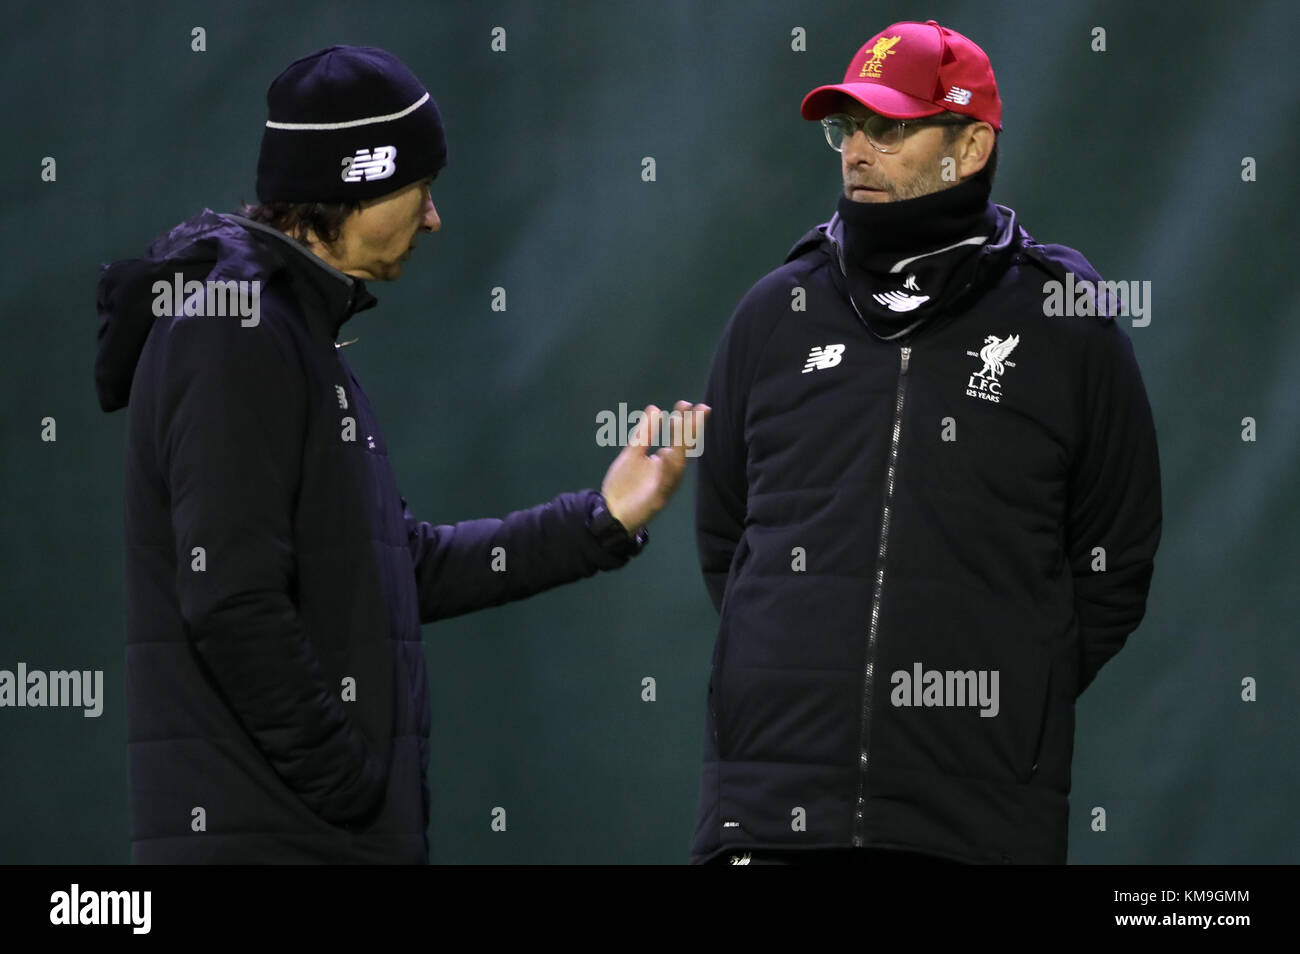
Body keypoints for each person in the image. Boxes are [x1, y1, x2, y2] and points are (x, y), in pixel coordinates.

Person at [93, 45, 707, 864]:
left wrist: (601, 521)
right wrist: (347, 786)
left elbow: (395, 570)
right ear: (355, 183)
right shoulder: (235, 332)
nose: (433, 217)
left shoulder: (290, 334)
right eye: (419, 188)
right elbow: (231, 599)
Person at [691, 19, 1161, 865]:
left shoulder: (1064, 322)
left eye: (891, 128)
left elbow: (1115, 560)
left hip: (974, 824)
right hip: (768, 815)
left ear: (972, 145)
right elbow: (728, 543)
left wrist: (1014, 685)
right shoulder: (775, 311)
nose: (857, 152)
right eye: (847, 128)